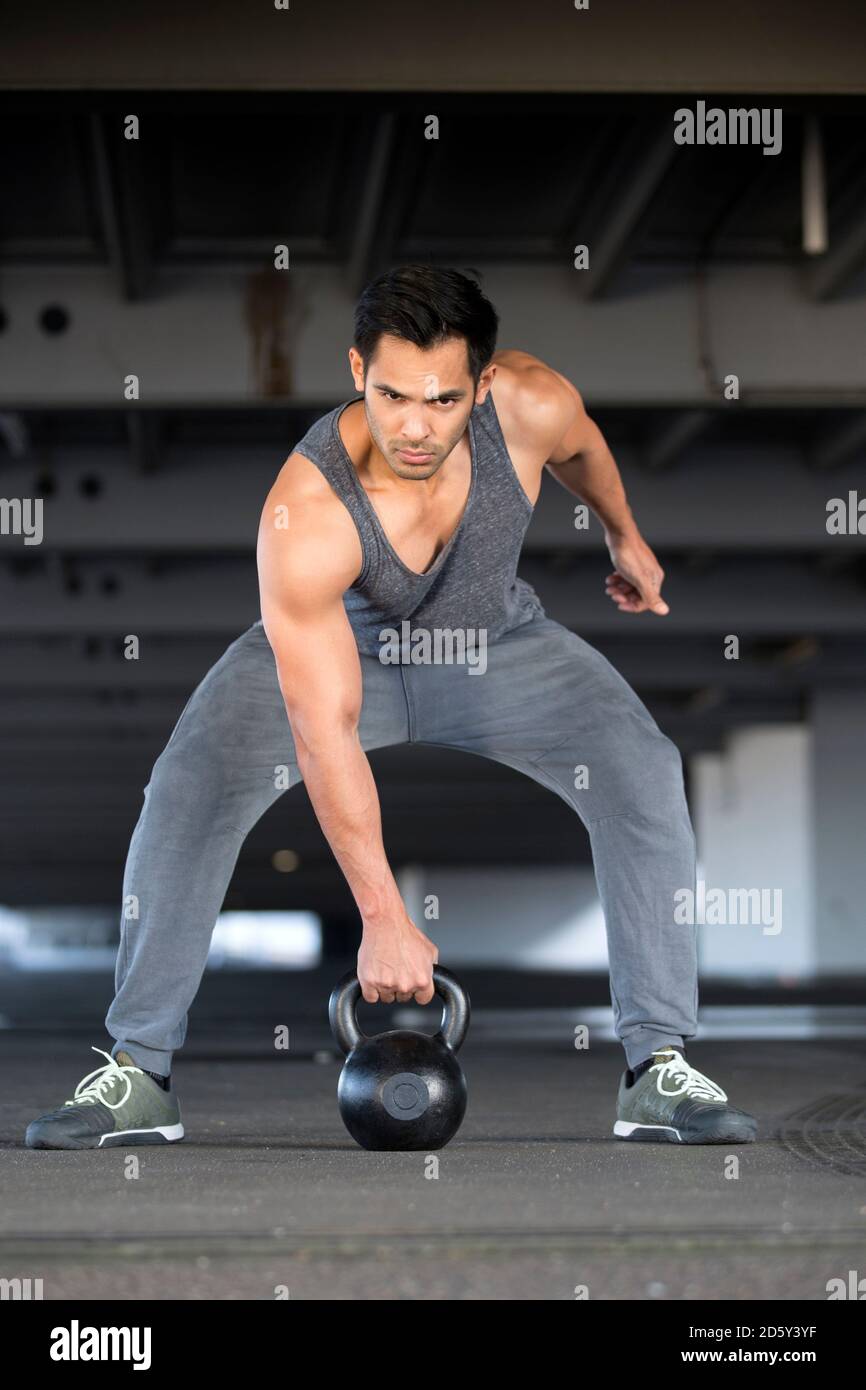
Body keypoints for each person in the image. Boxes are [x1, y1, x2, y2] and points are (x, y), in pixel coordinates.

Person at [25, 265, 756, 1149]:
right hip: (345, 648)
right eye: (393, 395)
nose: (415, 426)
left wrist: (624, 533)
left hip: (495, 647)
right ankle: (139, 1070)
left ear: (484, 386)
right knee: (189, 788)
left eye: (444, 400)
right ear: (356, 371)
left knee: (641, 767)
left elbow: (583, 449)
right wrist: (383, 919)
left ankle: (657, 1068)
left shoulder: (531, 402)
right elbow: (325, 726)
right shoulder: (308, 509)